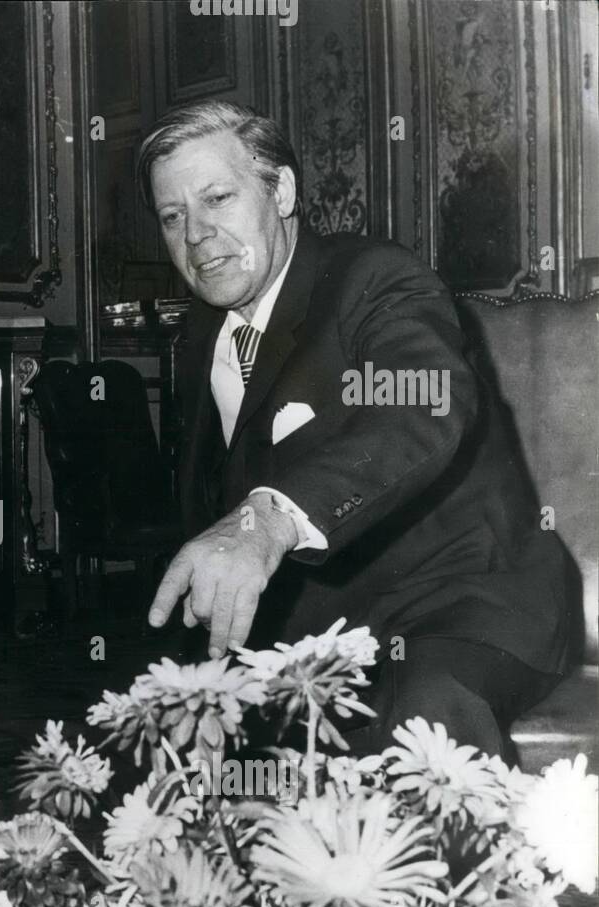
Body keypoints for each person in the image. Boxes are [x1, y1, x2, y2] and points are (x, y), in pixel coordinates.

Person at [138, 99, 579, 762]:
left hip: (461, 607)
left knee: (426, 717)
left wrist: (270, 518)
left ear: (281, 191)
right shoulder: (204, 334)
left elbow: (423, 406)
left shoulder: (373, 282)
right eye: (173, 217)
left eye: (218, 198)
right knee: (158, 749)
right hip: (322, 633)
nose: (196, 235)